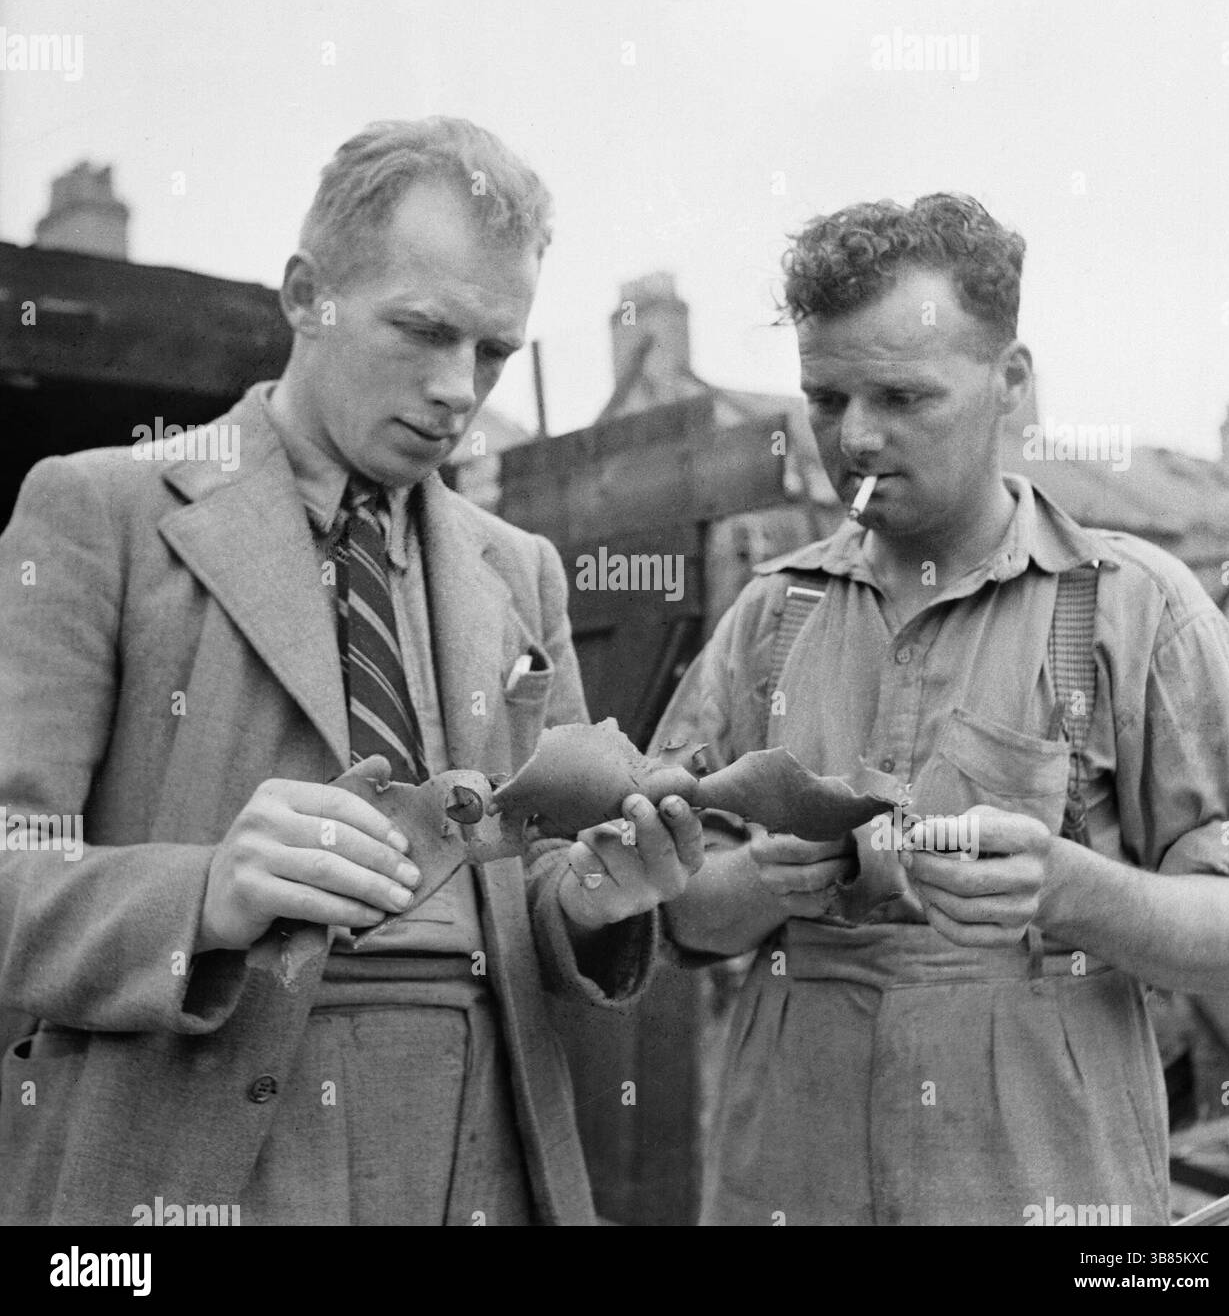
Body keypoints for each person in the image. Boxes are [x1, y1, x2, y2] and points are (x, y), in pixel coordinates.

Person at [0, 117, 702, 1226]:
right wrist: (203, 894)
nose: (457, 388)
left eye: (493, 351)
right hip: (202, 1164)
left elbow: (551, 884)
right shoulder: (98, 515)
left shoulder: (522, 569)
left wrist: (593, 901)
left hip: (491, 1162)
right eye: (422, 330)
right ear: (302, 294)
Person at [651, 193, 1229, 1226]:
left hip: (1037, 1185)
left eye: (900, 394)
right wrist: (752, 881)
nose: (856, 437)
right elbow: (676, 916)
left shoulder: (1132, 608)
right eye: (824, 396)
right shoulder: (768, 617)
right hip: (785, 1179)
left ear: (1010, 383)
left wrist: (1070, 891)